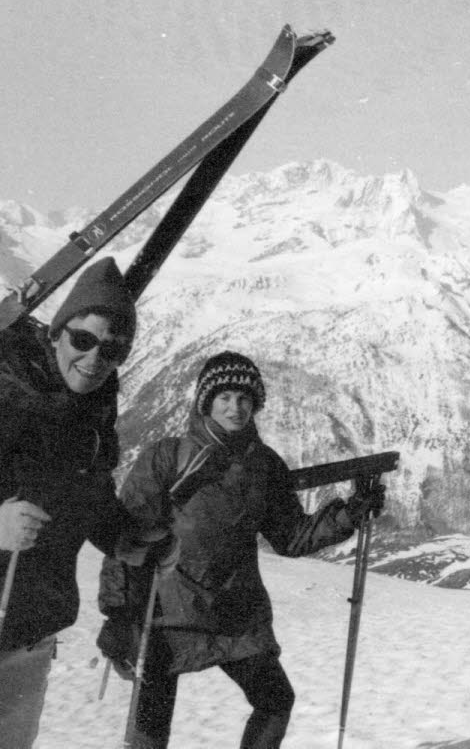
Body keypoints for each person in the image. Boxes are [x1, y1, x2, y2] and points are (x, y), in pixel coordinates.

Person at [98, 350, 385, 749]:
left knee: (275, 700)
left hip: (236, 611)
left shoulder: (265, 466)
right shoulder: (167, 457)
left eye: (245, 398)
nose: (236, 407)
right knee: (151, 725)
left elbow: (291, 537)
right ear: (206, 401)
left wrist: (349, 515)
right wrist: (117, 614)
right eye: (225, 397)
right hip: (166, 612)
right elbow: (124, 538)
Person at [0, 256, 156, 747]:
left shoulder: (91, 419)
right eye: (83, 340)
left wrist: (136, 537)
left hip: (28, 633)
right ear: (55, 333)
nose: (94, 358)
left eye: (112, 350)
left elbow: (92, 503)